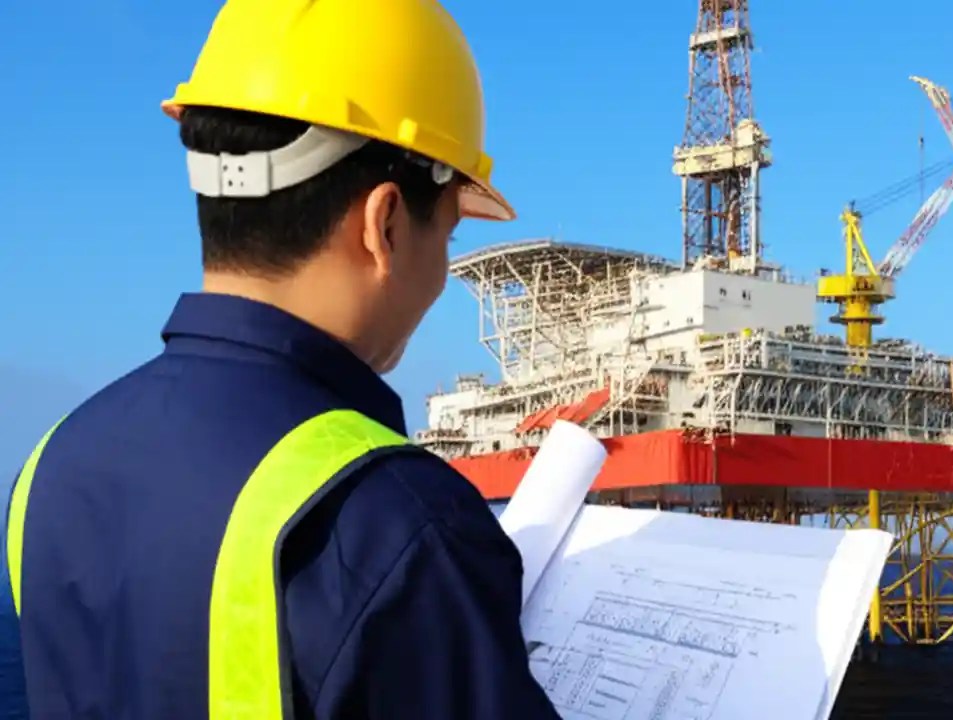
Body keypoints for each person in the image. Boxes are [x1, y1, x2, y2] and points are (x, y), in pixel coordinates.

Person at [3, 1, 563, 717]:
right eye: (449, 237)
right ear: (385, 223)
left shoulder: (48, 469)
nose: (441, 277)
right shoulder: (400, 524)